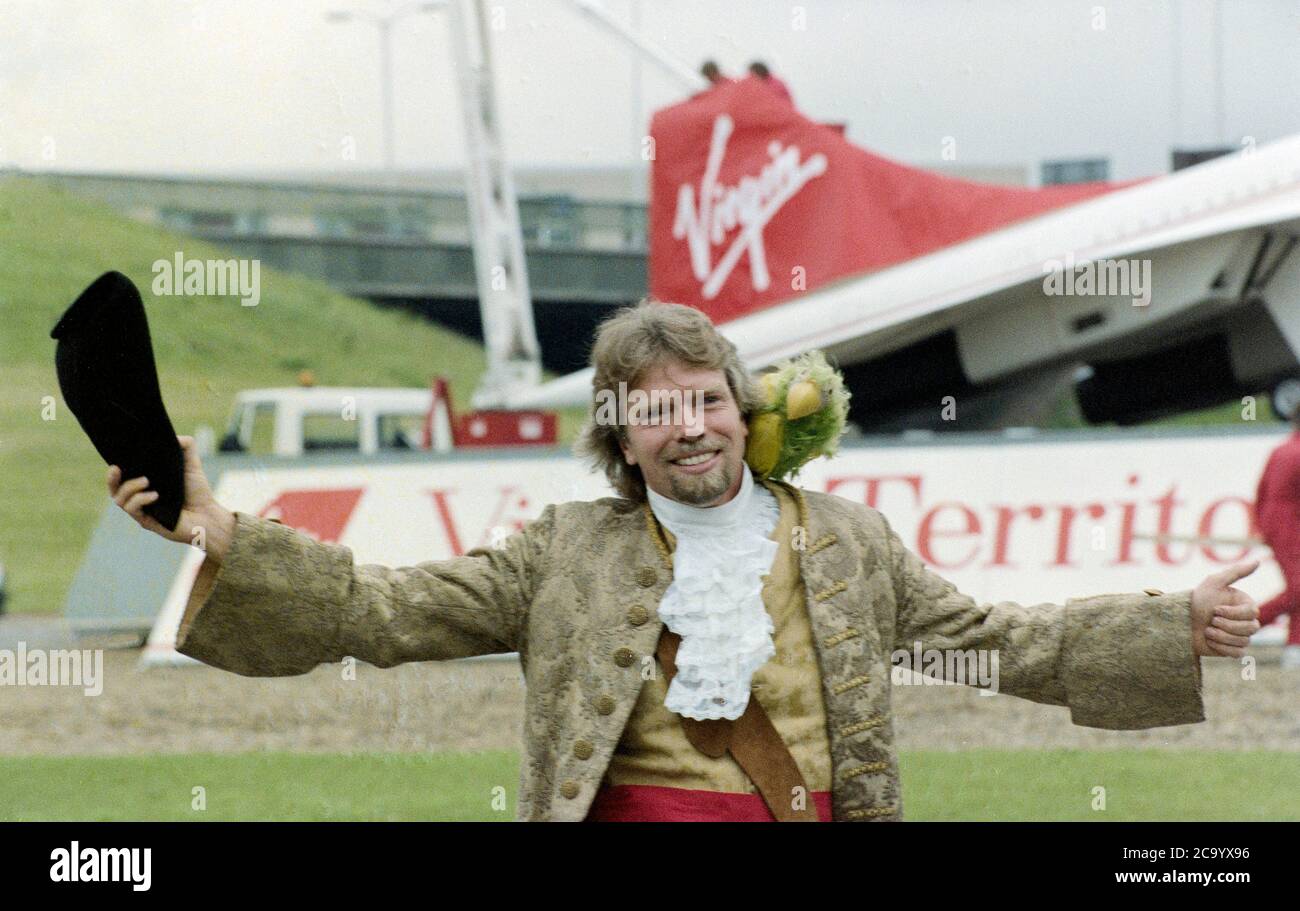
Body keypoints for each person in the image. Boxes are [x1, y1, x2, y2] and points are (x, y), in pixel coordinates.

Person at [108, 301, 1260, 822]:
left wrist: (1168, 624)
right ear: (620, 436)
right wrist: (224, 532)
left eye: (707, 397)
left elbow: (990, 644)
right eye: (657, 409)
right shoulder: (560, 552)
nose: (691, 424)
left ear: (744, 408)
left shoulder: (847, 540)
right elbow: (381, 608)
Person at [1253, 405, 1300, 669]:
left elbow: (1261, 490)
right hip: (1290, 524)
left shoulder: (1281, 449)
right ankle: (1244, 625)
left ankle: (1295, 648)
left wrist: (1261, 524)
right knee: (1298, 588)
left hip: (1276, 521)